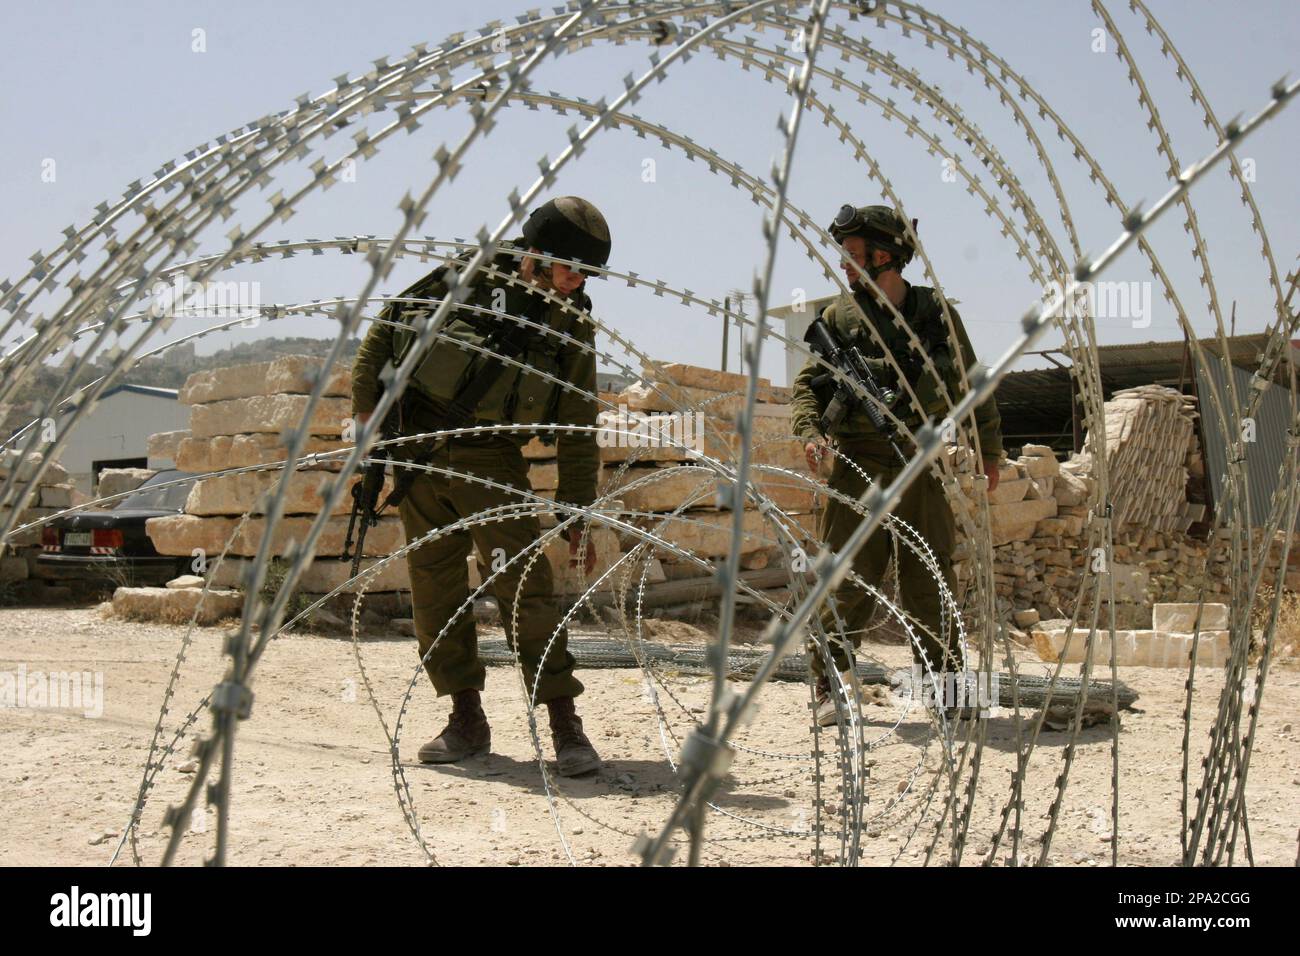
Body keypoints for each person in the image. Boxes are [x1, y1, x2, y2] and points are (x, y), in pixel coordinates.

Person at [350, 196, 610, 775]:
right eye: (570, 267)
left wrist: (575, 516)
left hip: (491, 459)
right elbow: (388, 325)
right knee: (435, 591)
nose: (576, 282)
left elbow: (577, 426)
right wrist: (368, 421)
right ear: (537, 254)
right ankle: (465, 719)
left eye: (586, 274)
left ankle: (565, 723)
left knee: (525, 588)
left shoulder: (570, 323)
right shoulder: (468, 276)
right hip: (418, 456)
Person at [790, 203, 1004, 726]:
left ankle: (945, 687)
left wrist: (990, 448)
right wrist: (810, 433)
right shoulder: (840, 319)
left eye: (854, 254)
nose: (844, 263)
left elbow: (970, 381)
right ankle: (828, 684)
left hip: (919, 461)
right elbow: (807, 389)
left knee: (930, 576)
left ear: (883, 255)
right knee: (847, 577)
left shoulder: (934, 315)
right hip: (858, 466)